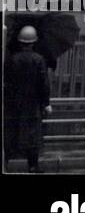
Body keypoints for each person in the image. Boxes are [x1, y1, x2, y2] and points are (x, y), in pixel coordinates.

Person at [4, 26, 51, 172]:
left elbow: (7, 82)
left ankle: (6, 163)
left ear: (20, 42)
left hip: (14, 103)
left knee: (11, 133)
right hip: (33, 104)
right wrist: (46, 103)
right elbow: (44, 83)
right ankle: (32, 166)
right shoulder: (39, 59)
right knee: (33, 136)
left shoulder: (12, 59)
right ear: (33, 42)